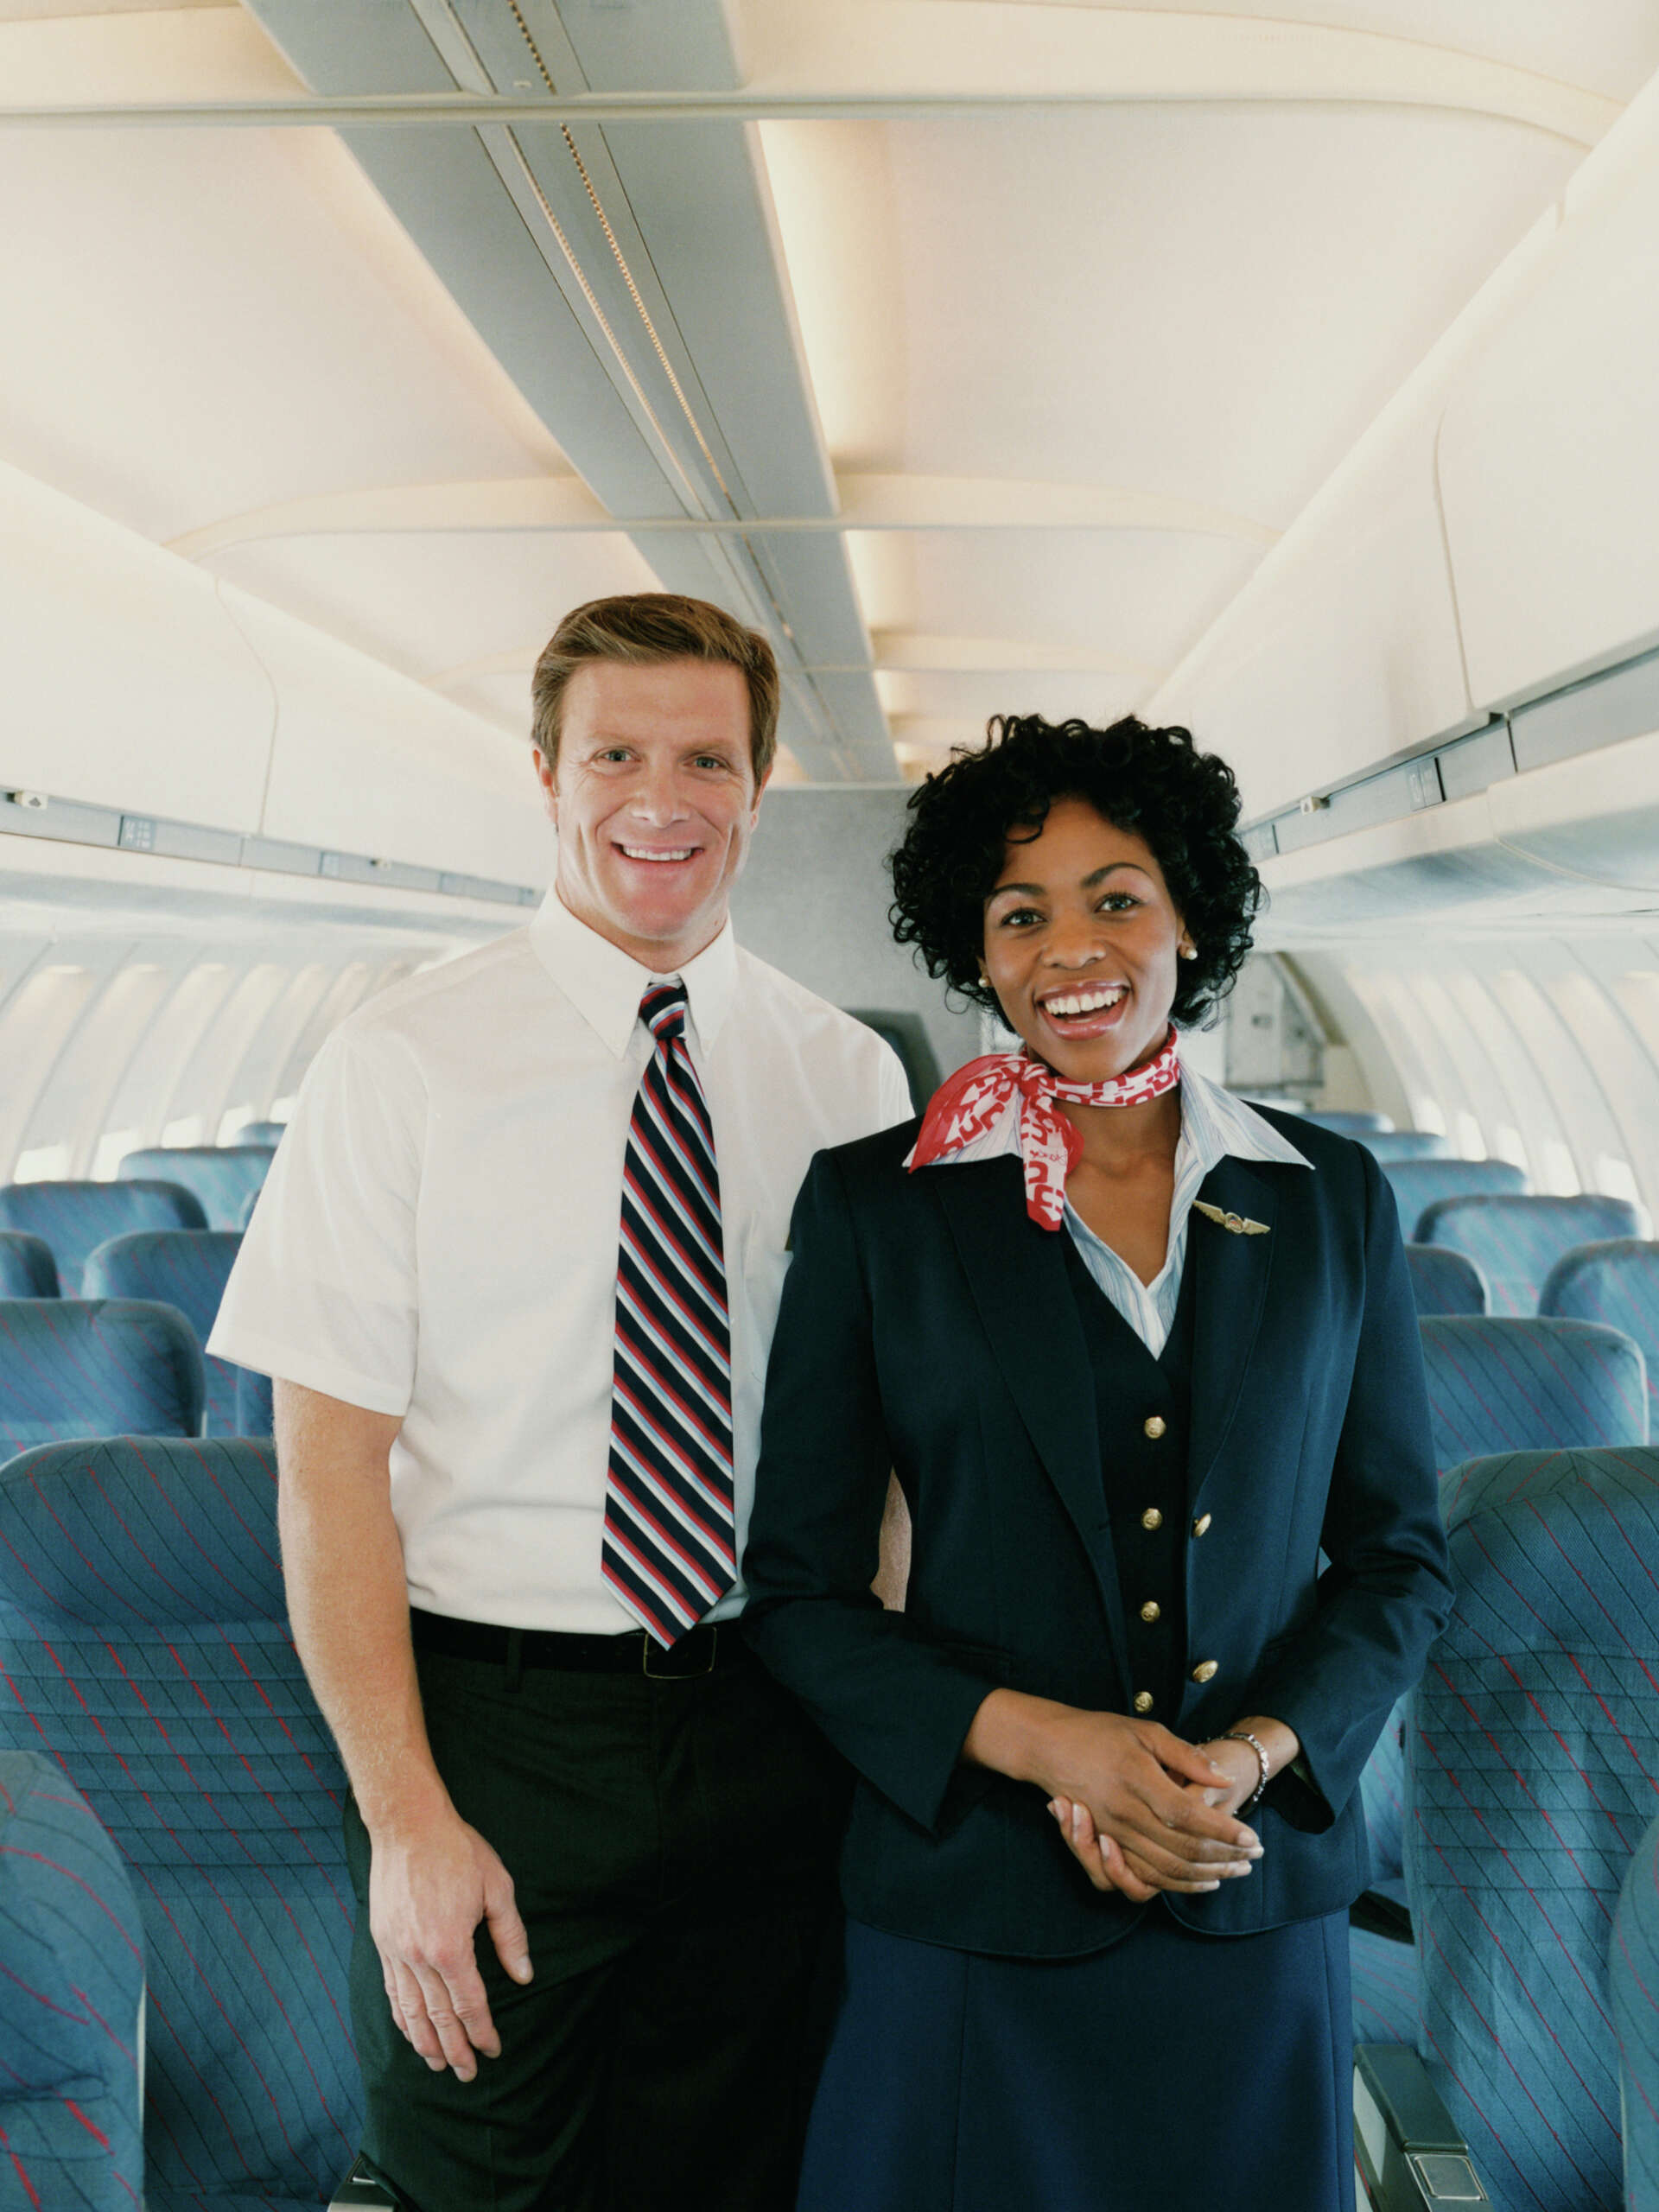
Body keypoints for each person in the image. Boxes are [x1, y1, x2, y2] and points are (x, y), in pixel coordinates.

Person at [208, 593, 912, 2212]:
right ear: (544, 773)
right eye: (614, 754)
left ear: (758, 783)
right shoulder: (402, 1061)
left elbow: (882, 1460)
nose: (658, 799)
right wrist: (406, 1821)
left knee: (738, 2177)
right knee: (475, 2185)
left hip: (771, 1715)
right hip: (492, 1731)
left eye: (704, 759)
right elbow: (326, 1478)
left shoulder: (849, 1078)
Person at [741, 712, 1453, 2212]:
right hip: (974, 1908)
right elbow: (798, 1592)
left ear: (1189, 913)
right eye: (1022, 914)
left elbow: (1396, 1558)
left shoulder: (1328, 1199)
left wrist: (1244, 1767)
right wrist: (1053, 1747)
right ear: (977, 954)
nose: (1075, 947)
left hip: (1244, 1889)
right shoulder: (885, 1207)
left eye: (1116, 896)